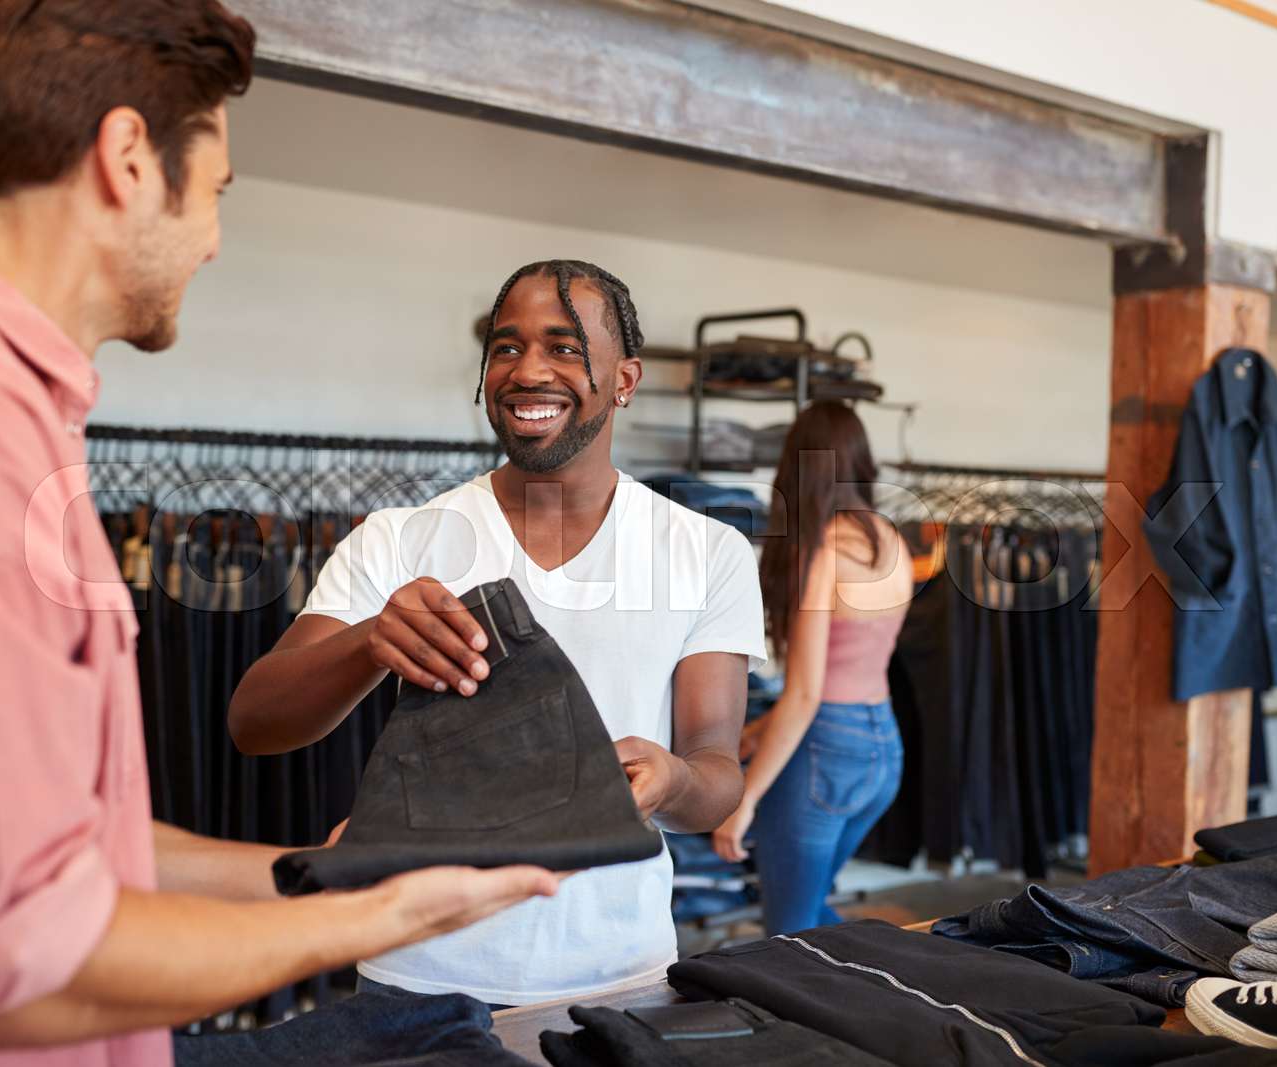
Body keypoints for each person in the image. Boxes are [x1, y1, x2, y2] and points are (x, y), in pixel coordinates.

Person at [0, 4, 556, 1064]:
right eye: (214, 191)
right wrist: (386, 919)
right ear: (129, 158)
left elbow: (70, 845)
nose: (214, 239)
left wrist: (322, 867)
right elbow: (10, 967)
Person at [230, 259, 767, 1007]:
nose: (528, 370)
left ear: (626, 379)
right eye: (506, 347)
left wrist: (674, 778)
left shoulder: (707, 551)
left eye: (565, 347)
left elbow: (716, 768)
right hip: (414, 979)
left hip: (621, 977)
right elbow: (255, 720)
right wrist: (370, 641)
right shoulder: (400, 540)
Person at [711, 401, 912, 935]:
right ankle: (883, 990)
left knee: (791, 933)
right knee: (814, 912)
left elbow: (806, 696)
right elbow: (856, 662)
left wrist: (745, 799)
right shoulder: (890, 540)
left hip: (826, 751)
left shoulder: (822, 552)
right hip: (882, 750)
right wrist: (758, 731)